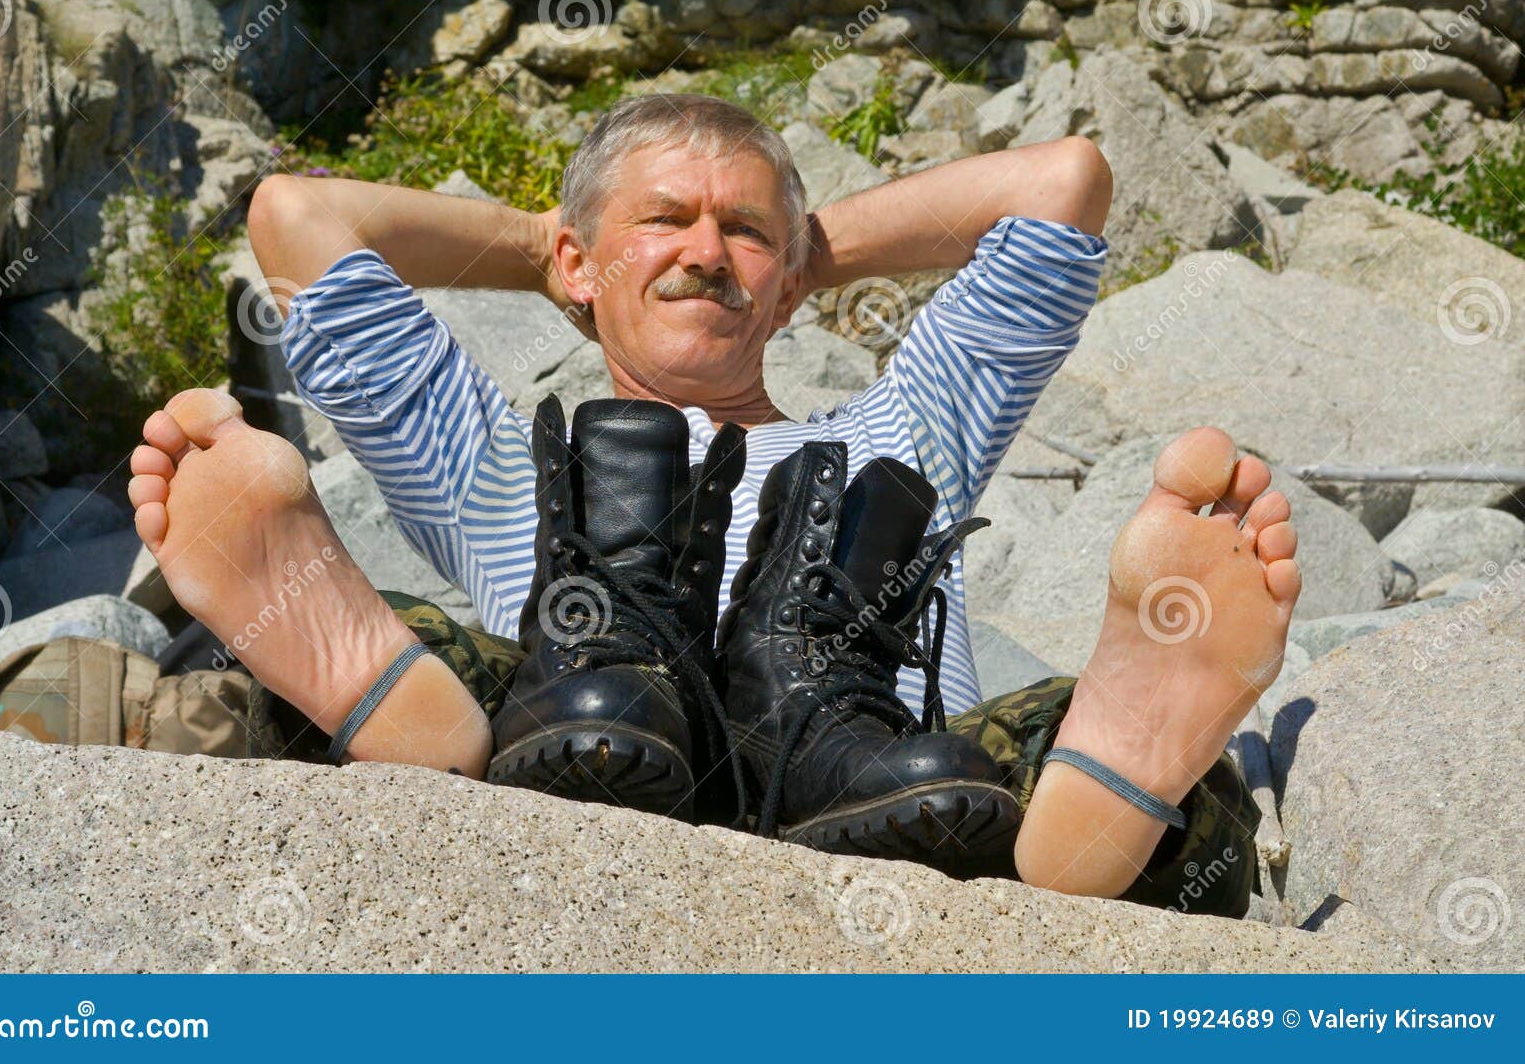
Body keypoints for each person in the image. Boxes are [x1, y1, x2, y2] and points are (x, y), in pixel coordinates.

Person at [127, 94, 1299, 915]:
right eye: (665, 222)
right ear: (580, 268)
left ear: (788, 279)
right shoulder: (499, 455)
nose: (705, 251)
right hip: (586, 748)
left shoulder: (896, 435)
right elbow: (297, 217)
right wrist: (554, 242)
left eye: (741, 231)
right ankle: (395, 687)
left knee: (1098, 756)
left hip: (881, 795)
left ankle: (1092, 818)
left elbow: (1063, 184)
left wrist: (793, 254)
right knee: (424, 663)